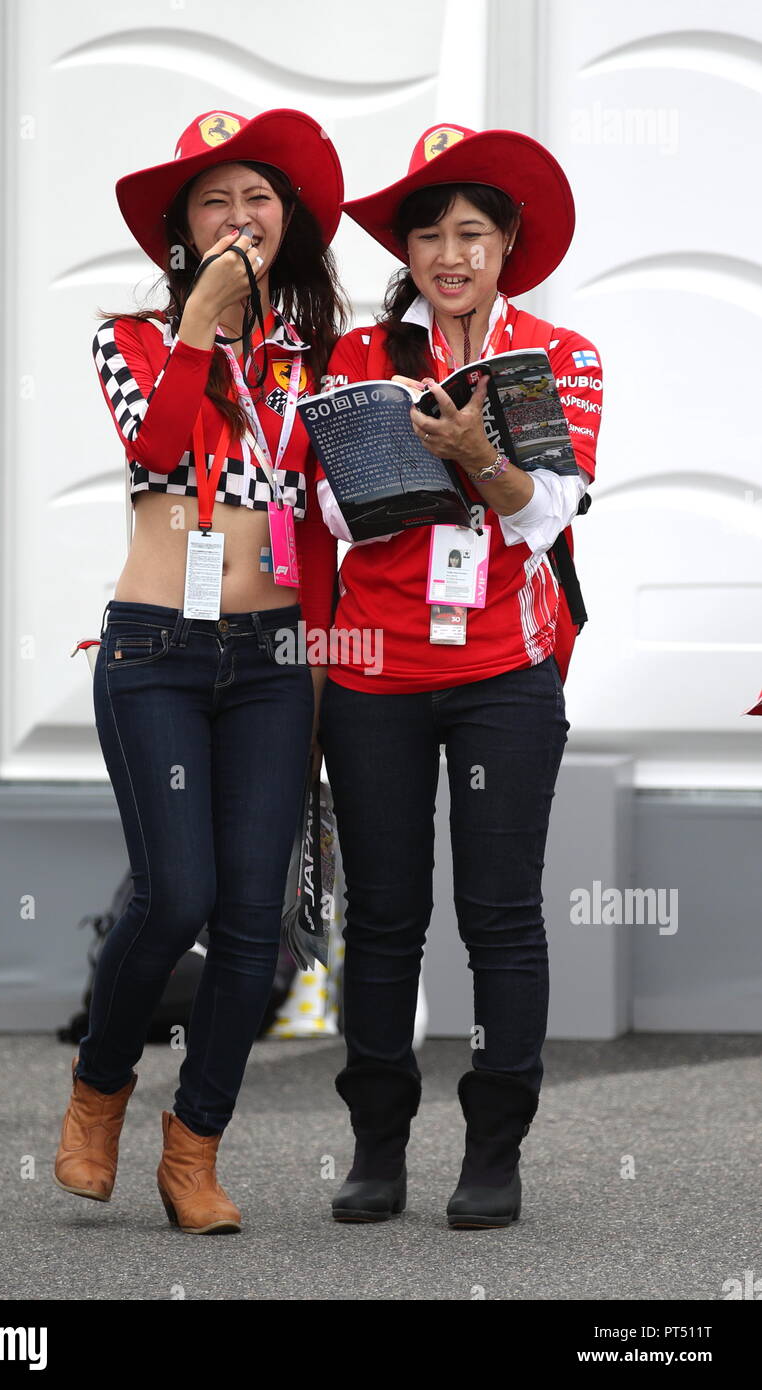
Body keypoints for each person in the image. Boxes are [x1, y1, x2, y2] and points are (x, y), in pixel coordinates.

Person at [54, 108, 345, 1233]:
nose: (237, 218)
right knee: (171, 893)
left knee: (249, 915)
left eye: (256, 199)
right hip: (156, 650)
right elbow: (159, 452)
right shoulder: (126, 337)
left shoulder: (315, 361)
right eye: (213, 202)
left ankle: (194, 1147)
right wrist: (197, 324)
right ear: (180, 232)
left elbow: (326, 527)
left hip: (272, 659)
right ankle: (99, 1088)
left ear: (285, 224)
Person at [314, 122, 603, 1227]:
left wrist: (475, 457)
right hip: (375, 670)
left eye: (470, 232)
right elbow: (333, 514)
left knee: (499, 914)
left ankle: (493, 1150)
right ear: (406, 250)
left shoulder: (559, 356)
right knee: (383, 914)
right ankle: (375, 1143)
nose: (448, 252)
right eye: (427, 233)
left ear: (506, 242)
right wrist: (392, 460)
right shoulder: (358, 358)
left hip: (504, 669)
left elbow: (545, 522)